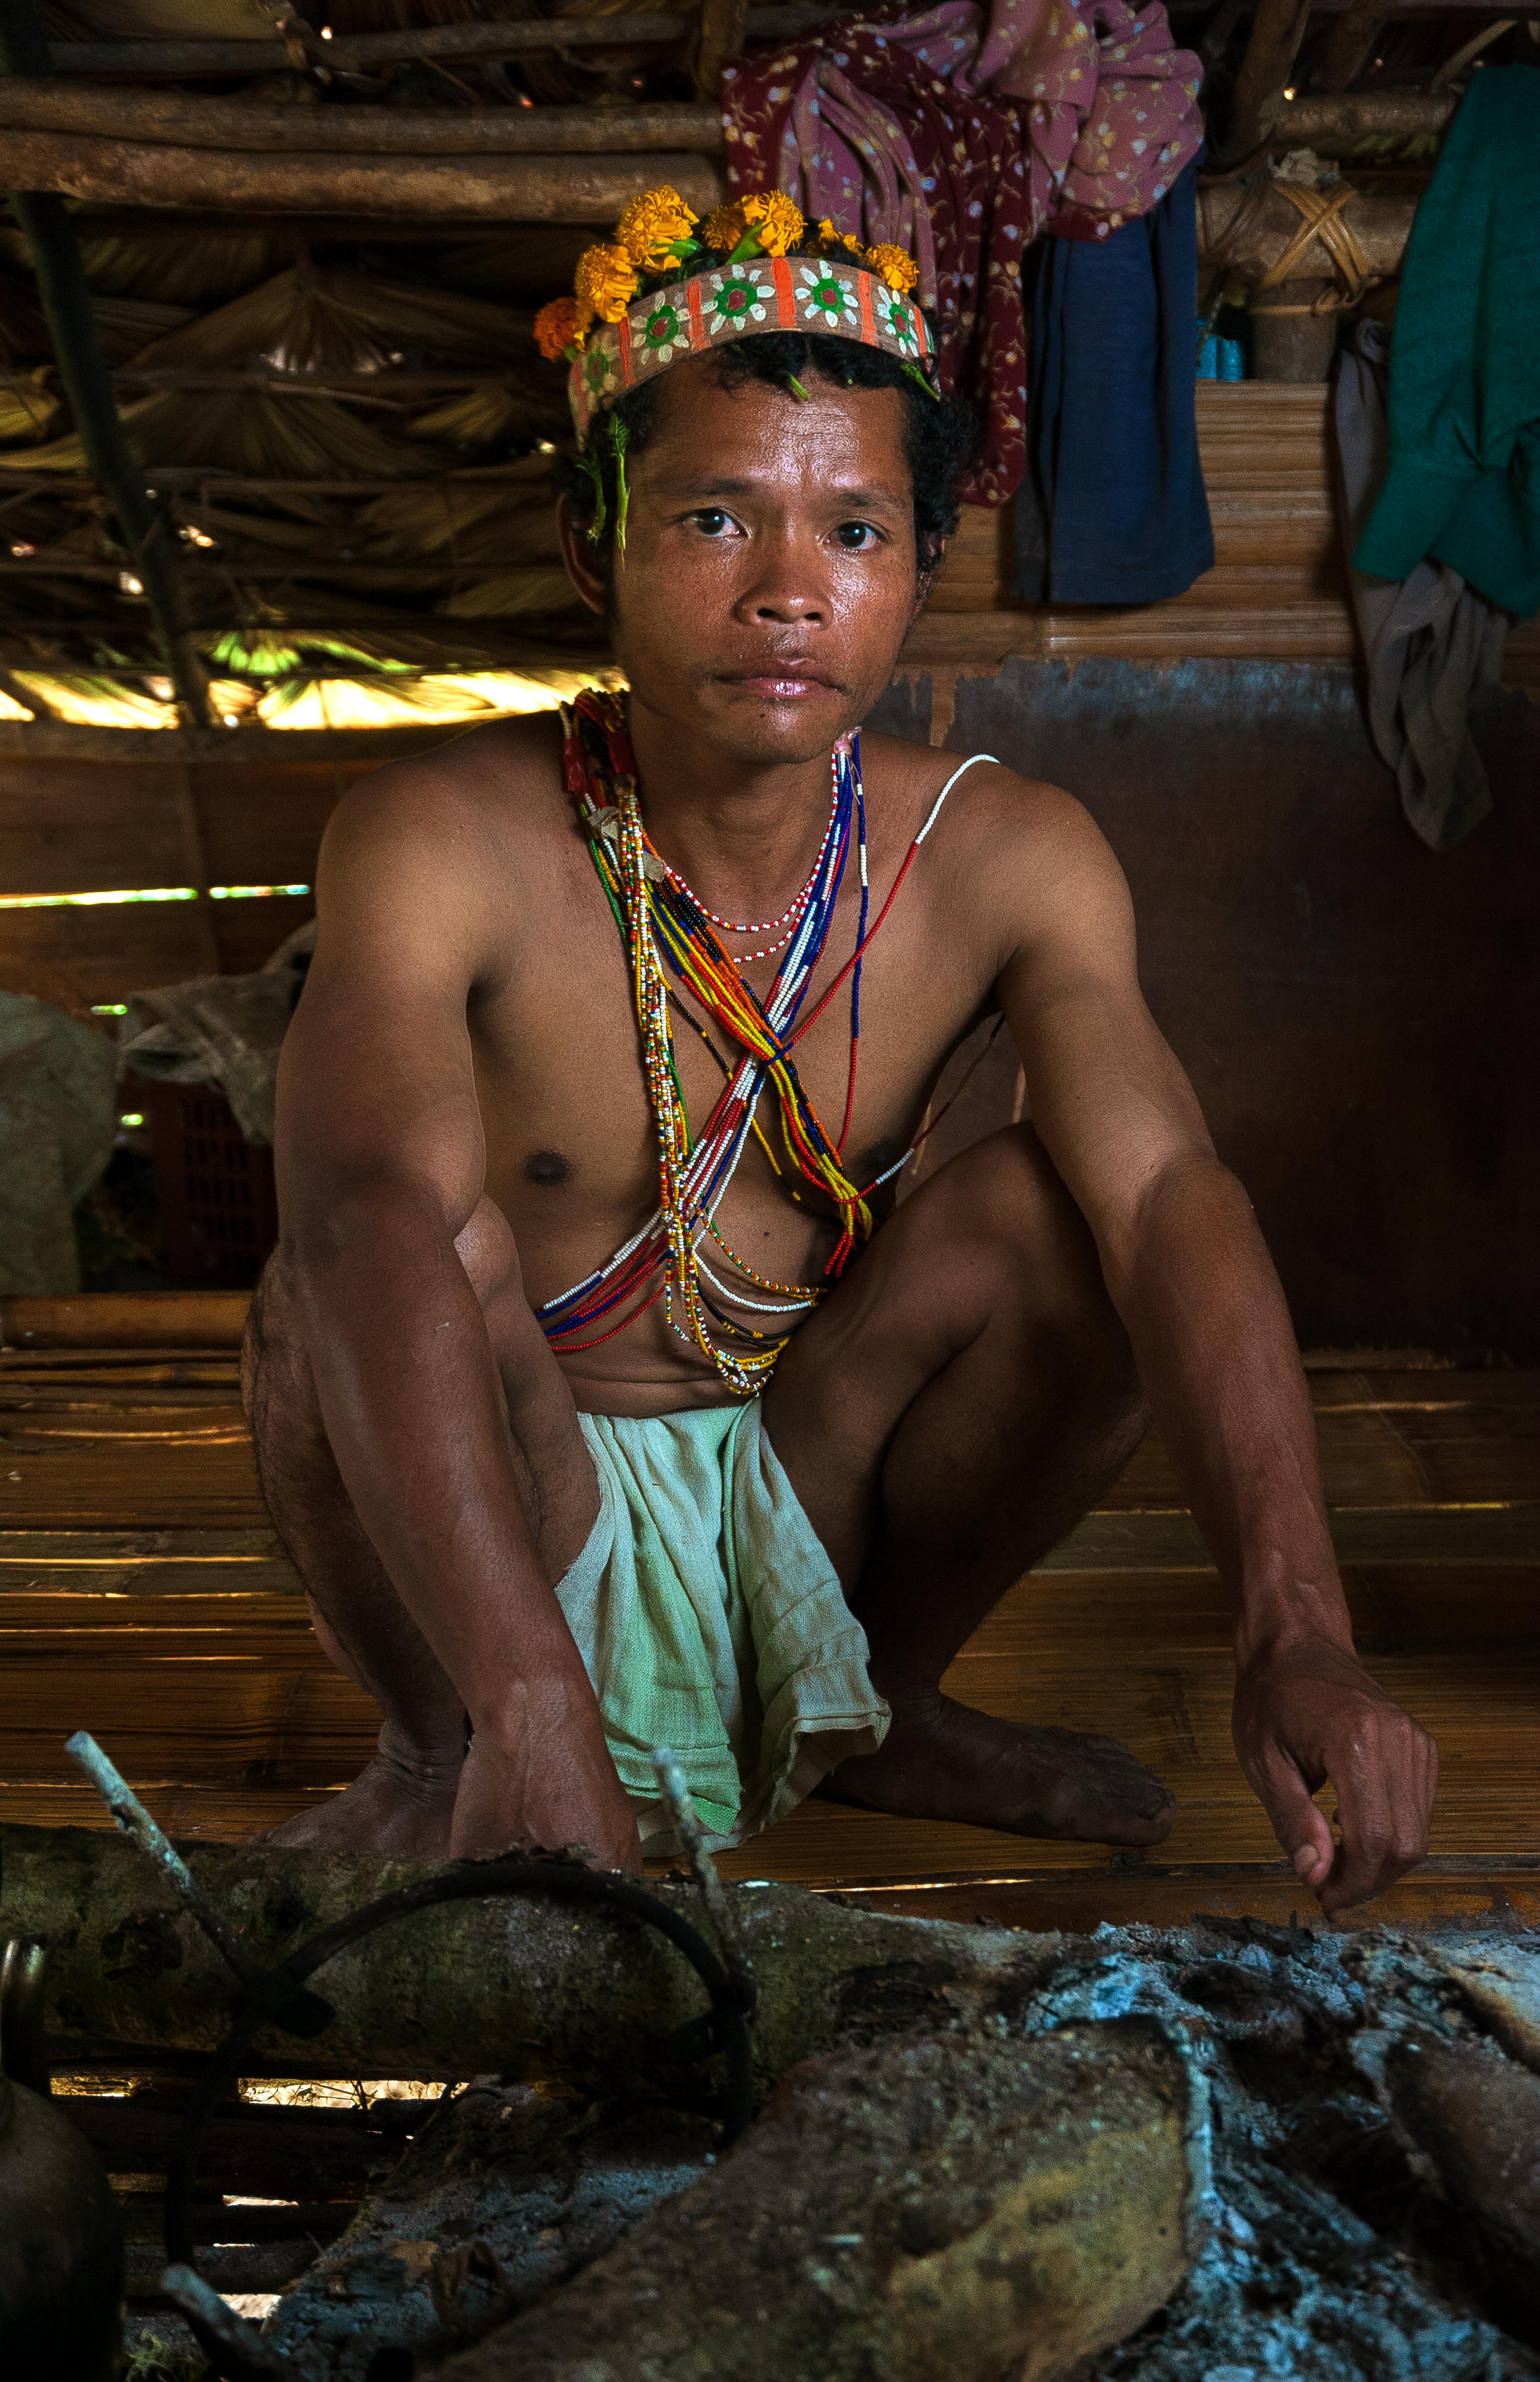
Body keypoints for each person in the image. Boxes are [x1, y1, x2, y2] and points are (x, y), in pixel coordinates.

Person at [243, 186, 1437, 1914]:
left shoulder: (1008, 851)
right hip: (514, 1488)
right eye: (714, 517)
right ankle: (447, 1755)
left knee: (1062, 1216)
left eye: (857, 531)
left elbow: (1171, 1195)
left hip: (815, 1468)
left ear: (918, 574)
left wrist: (1299, 1626)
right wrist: (522, 1697)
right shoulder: (437, 835)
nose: (790, 592)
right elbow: (362, 1217)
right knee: (344, 1266)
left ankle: (884, 1697)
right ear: (592, 548)